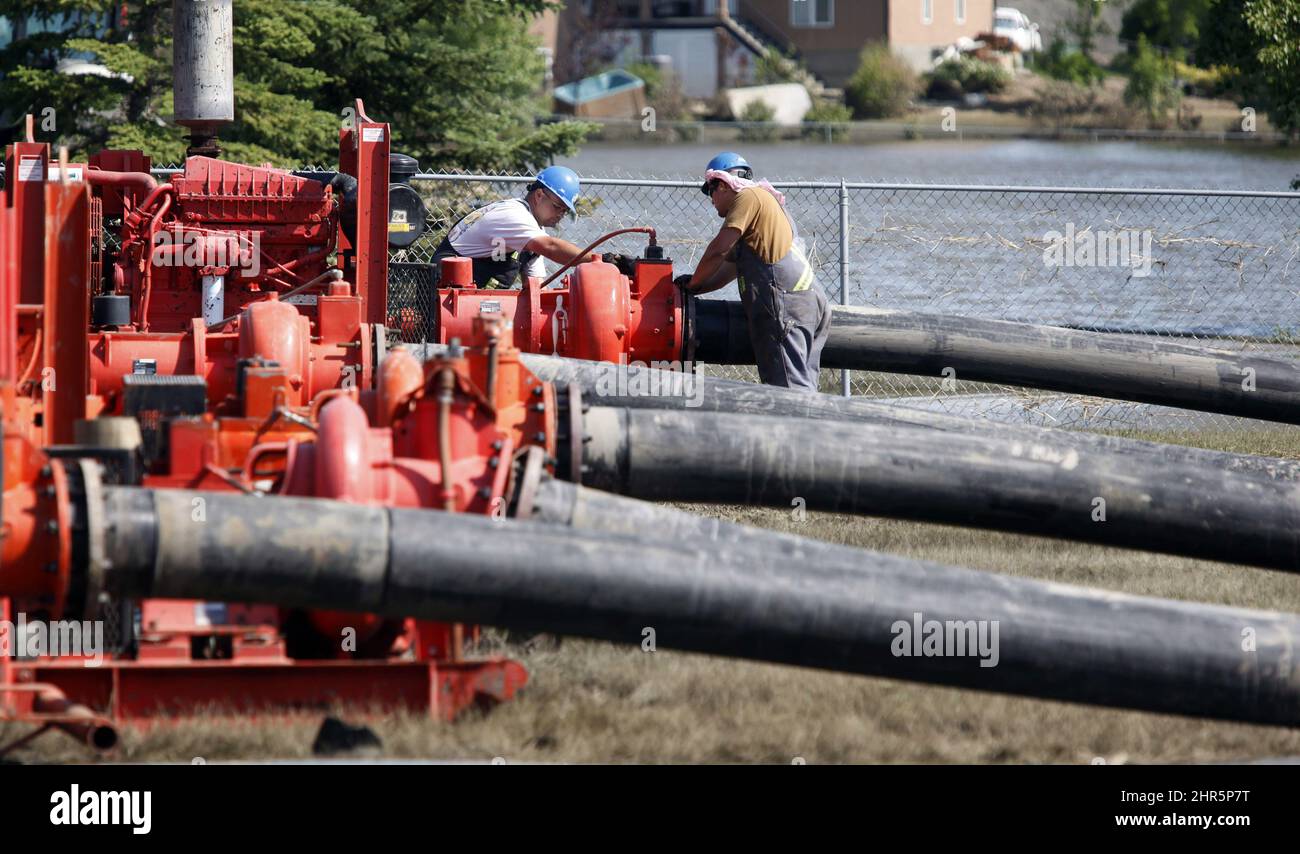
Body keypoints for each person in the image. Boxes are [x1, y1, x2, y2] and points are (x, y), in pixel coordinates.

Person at [675, 168, 830, 392]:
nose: (711, 201)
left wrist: (692, 283)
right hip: (808, 299)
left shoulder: (748, 196)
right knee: (804, 386)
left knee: (788, 390)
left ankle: (795, 427)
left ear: (723, 185)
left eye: (710, 191)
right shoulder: (765, 212)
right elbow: (725, 272)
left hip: (785, 304)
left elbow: (717, 250)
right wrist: (693, 289)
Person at [431, 166, 612, 288]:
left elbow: (536, 286)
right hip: (445, 287)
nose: (560, 214)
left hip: (474, 295)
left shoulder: (534, 232)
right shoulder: (513, 215)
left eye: (565, 211)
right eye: (558, 207)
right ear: (539, 195)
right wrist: (601, 260)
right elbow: (551, 247)